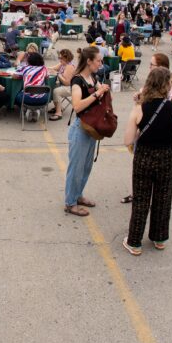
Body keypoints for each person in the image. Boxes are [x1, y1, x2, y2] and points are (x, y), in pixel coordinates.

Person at [122, 66, 172, 255]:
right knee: (163, 197)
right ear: (168, 85)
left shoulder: (139, 108)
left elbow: (127, 140)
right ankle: (159, 238)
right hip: (167, 156)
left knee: (141, 199)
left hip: (144, 157)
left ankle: (135, 242)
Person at [64, 46, 109, 217]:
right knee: (76, 167)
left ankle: (78, 195)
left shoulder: (92, 77)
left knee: (86, 167)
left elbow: (100, 92)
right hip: (81, 128)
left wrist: (103, 90)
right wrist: (98, 93)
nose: (100, 64)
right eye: (98, 61)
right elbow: (77, 106)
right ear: (89, 61)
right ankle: (70, 203)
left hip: (91, 128)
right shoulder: (77, 80)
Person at [16, 51, 50, 118]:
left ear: (29, 60)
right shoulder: (44, 68)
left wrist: (24, 76)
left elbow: (14, 76)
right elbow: (47, 77)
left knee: (17, 96)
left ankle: (27, 109)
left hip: (27, 98)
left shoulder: (25, 68)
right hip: (42, 99)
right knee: (46, 93)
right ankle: (35, 110)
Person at [48, 48, 75, 121]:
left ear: (66, 58)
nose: (59, 59)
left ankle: (58, 113)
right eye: (59, 57)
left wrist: (57, 74)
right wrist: (44, 68)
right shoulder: (62, 64)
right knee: (52, 87)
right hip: (64, 85)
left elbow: (67, 82)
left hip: (71, 87)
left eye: (61, 58)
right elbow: (53, 68)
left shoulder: (69, 67)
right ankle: (59, 107)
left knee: (56, 91)